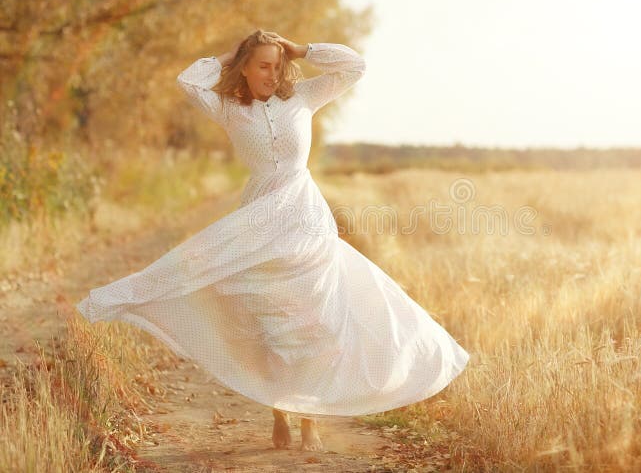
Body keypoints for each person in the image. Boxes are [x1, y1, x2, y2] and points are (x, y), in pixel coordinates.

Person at [76, 29, 470, 452]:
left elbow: (355, 66)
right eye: (262, 65)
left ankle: (309, 419)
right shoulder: (229, 107)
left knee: (315, 319)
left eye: (277, 65)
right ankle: (281, 411)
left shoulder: (303, 97)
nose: (271, 72)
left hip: (306, 220)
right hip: (258, 222)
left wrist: (303, 50)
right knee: (271, 322)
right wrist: (229, 56)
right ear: (245, 67)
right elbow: (188, 82)